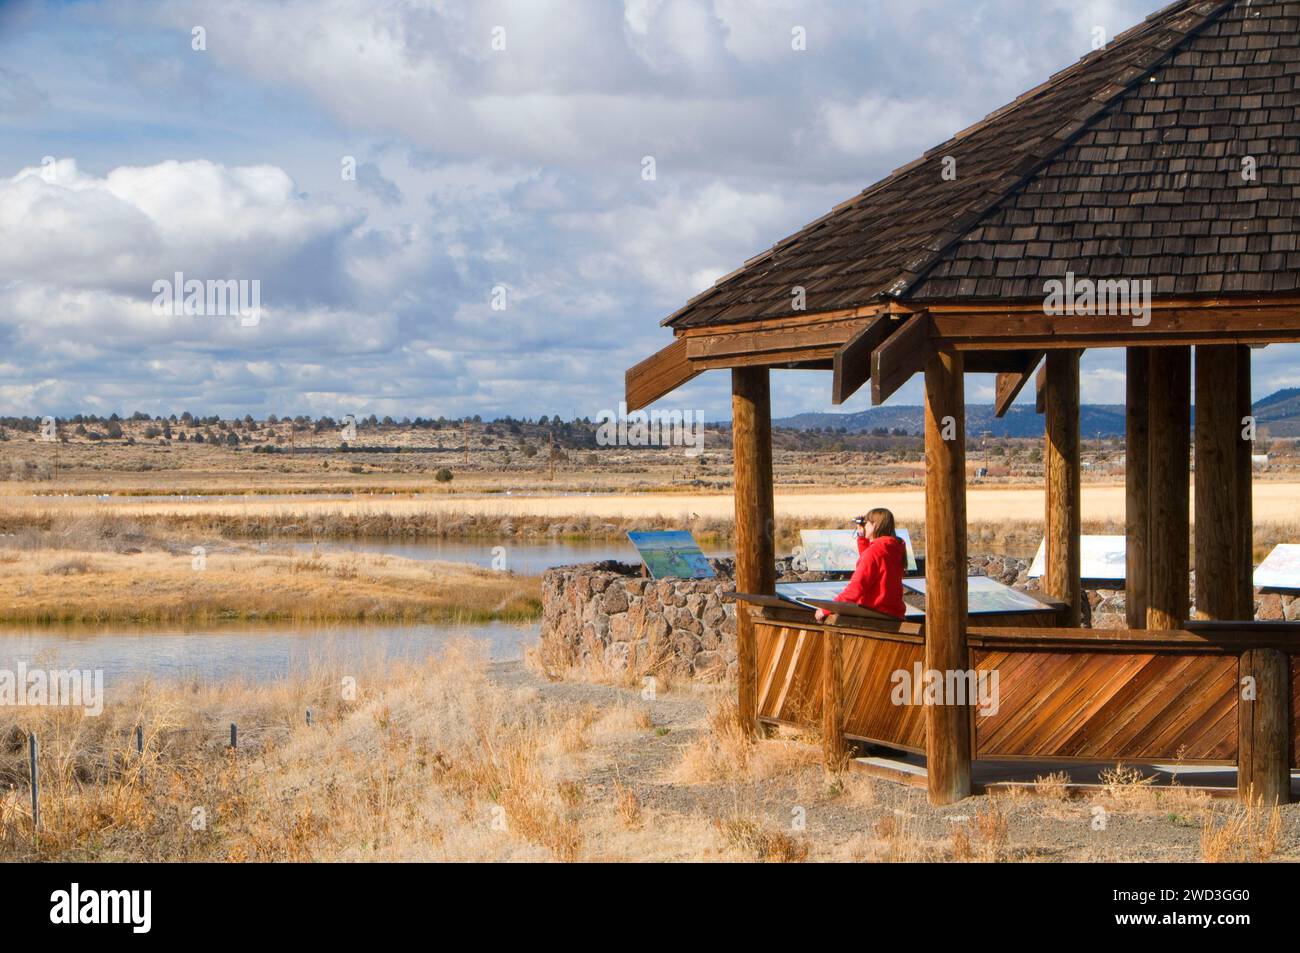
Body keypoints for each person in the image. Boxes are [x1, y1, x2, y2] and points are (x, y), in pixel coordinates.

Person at [814, 508, 908, 621]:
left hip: (875, 615)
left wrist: (827, 609)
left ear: (875, 524)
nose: (865, 525)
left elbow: (856, 588)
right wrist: (862, 536)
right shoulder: (894, 548)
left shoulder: (874, 552)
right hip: (894, 614)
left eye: (867, 522)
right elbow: (872, 564)